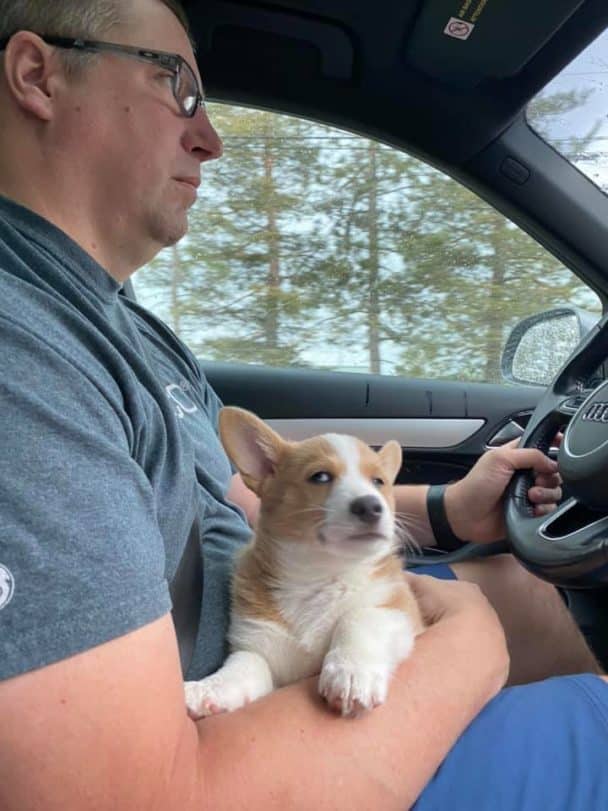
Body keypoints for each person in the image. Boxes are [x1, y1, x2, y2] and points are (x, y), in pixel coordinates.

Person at [0, 1, 606, 809]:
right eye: (177, 85)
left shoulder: (129, 328)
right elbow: (131, 793)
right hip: (238, 738)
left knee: (524, 587)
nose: (210, 137)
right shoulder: (22, 354)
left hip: (289, 631)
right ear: (37, 75)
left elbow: (254, 497)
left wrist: (448, 510)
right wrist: (470, 644)